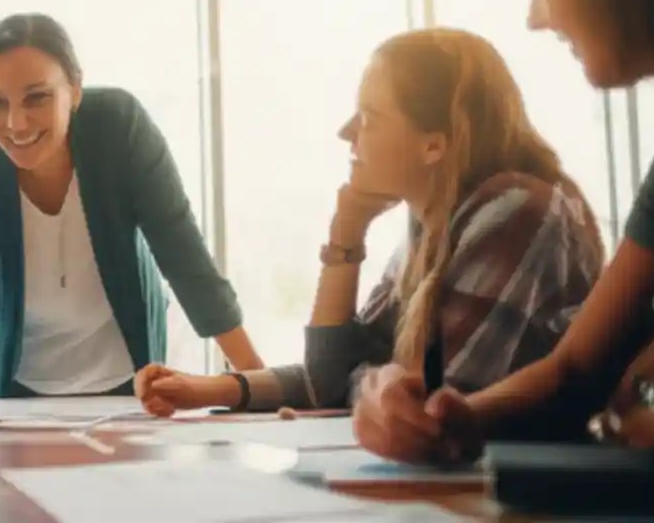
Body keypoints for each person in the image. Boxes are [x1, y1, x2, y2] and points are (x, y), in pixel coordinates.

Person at [352, 0, 654, 464]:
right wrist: (457, 418)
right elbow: (574, 374)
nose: (535, 15)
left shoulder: (516, 206)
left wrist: (643, 399)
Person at [134, 29, 604, 418]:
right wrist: (214, 389)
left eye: (369, 117)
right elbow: (337, 374)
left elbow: (430, 399)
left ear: (434, 146)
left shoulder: (516, 213)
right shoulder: (433, 227)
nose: (346, 132)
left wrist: (354, 376)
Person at [0, 13, 261, 422]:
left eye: (37, 97)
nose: (15, 123)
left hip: (129, 385)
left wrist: (257, 381)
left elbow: (183, 258)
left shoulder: (119, 129)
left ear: (74, 89)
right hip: (13, 395)